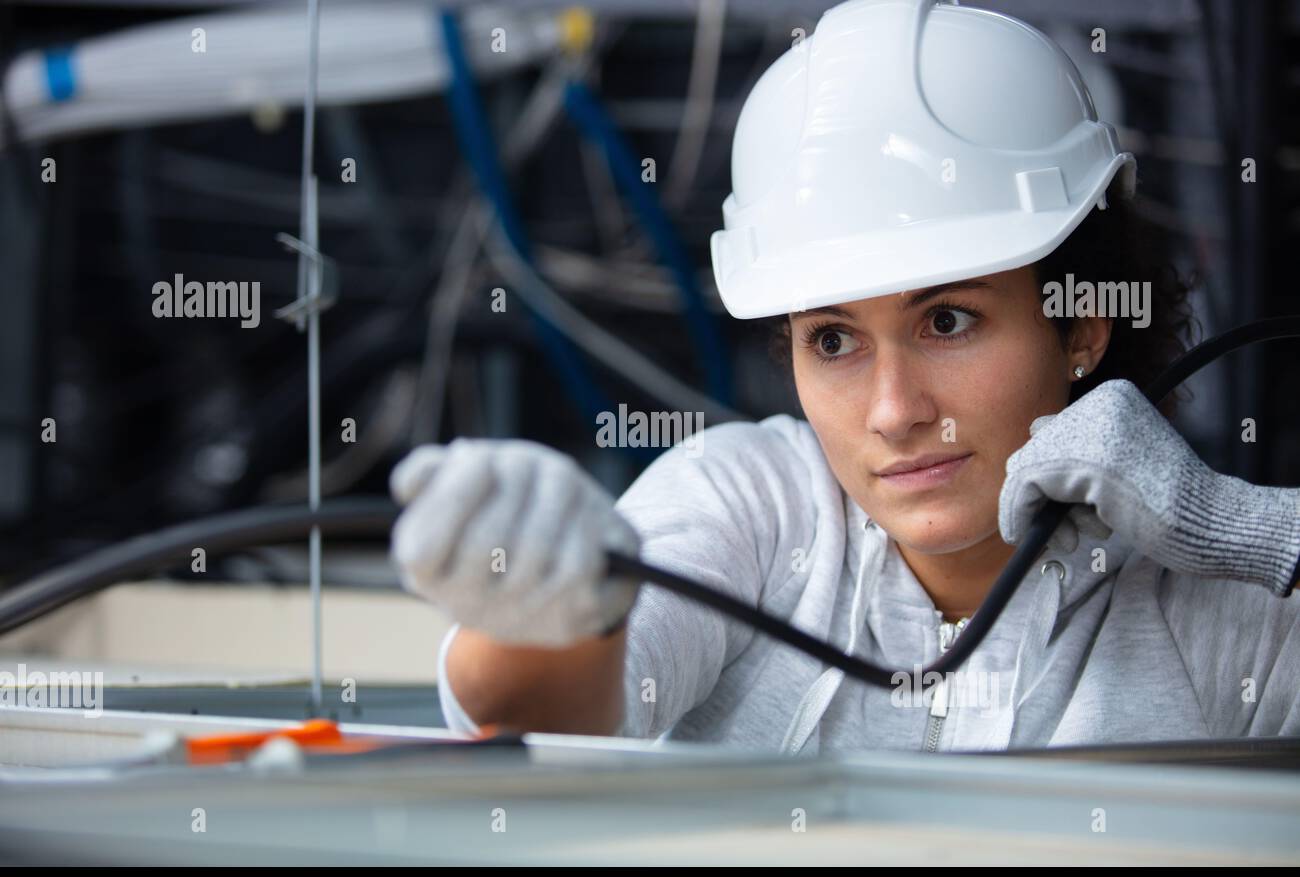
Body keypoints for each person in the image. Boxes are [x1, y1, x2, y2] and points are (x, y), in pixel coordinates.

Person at [390, 0, 1300, 754]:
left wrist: (1249, 532)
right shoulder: (752, 508)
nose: (895, 411)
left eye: (948, 320)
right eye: (832, 340)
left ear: (1083, 325)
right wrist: (536, 615)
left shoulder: (1212, 600)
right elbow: (554, 721)